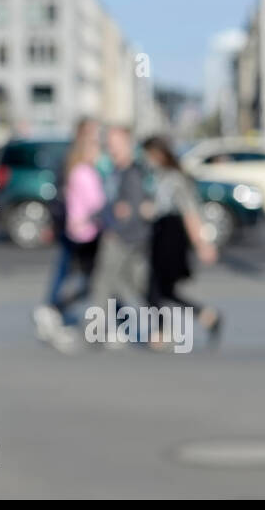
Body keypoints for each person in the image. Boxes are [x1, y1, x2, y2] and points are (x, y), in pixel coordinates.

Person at [141, 135, 222, 346]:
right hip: (159, 234)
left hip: (171, 236)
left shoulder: (176, 178)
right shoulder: (158, 175)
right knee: (163, 289)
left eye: (148, 154)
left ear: (158, 154)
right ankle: (206, 315)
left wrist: (202, 244)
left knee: (155, 288)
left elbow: (190, 212)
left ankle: (160, 333)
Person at [33, 117, 100, 351]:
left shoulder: (75, 162)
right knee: (80, 272)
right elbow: (87, 200)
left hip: (73, 228)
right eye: (92, 133)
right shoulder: (77, 164)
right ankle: (52, 308)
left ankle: (51, 308)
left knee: (70, 270)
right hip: (77, 229)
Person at [86, 125, 152, 341]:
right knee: (121, 283)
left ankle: (99, 330)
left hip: (124, 237)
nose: (112, 149)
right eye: (110, 144)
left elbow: (132, 210)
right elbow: (115, 204)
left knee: (110, 282)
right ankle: (112, 328)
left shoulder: (133, 172)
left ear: (128, 144)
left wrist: (115, 228)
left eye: (116, 144)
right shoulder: (116, 170)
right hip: (124, 235)